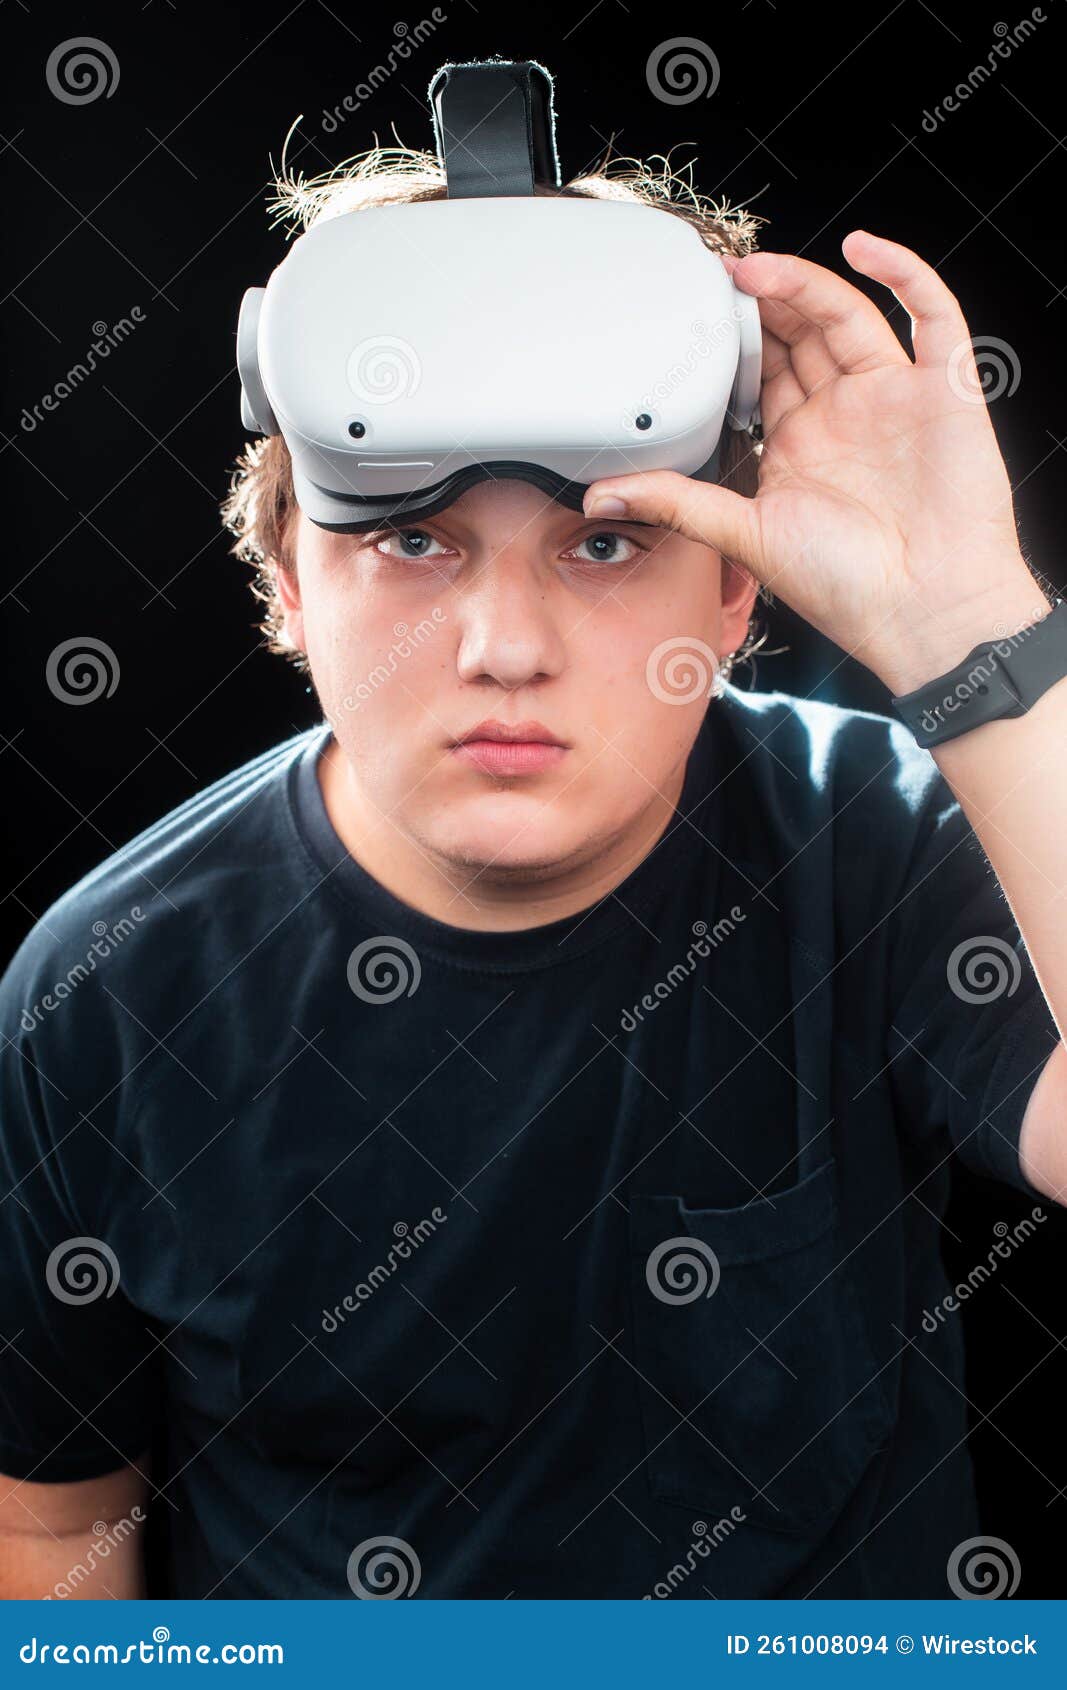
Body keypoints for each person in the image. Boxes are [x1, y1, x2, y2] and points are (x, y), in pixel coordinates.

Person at [0, 140, 1063, 1603]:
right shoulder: (110, 987)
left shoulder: (874, 837)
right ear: (294, 579)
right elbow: (54, 1529)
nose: (506, 644)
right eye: (415, 538)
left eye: (610, 542)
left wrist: (969, 628)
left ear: (740, 579)